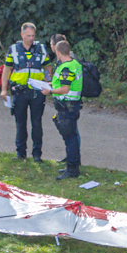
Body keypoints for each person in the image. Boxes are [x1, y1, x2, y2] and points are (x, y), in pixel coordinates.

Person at [3, 22, 50, 161]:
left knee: (37, 123)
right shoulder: (13, 49)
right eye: (28, 35)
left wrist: (48, 83)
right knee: (20, 123)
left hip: (37, 92)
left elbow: (47, 68)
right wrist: (3, 89)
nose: (31, 38)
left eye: (33, 36)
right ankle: (20, 153)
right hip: (19, 92)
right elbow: (6, 70)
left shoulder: (41, 48)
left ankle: (37, 154)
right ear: (22, 35)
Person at [47, 35, 85, 178]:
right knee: (72, 137)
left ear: (57, 52)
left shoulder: (66, 68)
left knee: (70, 139)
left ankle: (72, 169)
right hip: (72, 105)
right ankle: (72, 164)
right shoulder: (74, 64)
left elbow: (64, 89)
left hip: (67, 106)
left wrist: (49, 90)